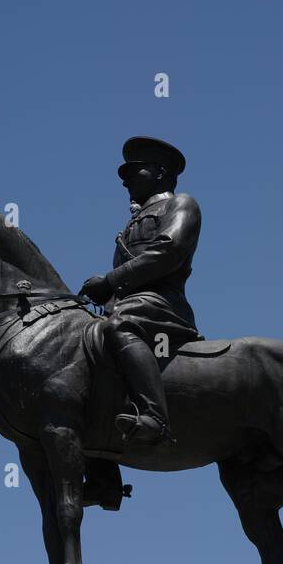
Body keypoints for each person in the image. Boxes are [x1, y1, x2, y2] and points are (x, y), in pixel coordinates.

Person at [80, 136, 201, 448]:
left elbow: (168, 251)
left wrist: (109, 280)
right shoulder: (130, 224)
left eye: (135, 172)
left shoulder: (181, 204)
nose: (126, 182)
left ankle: (154, 417)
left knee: (120, 325)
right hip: (130, 304)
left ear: (160, 172)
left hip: (163, 304)